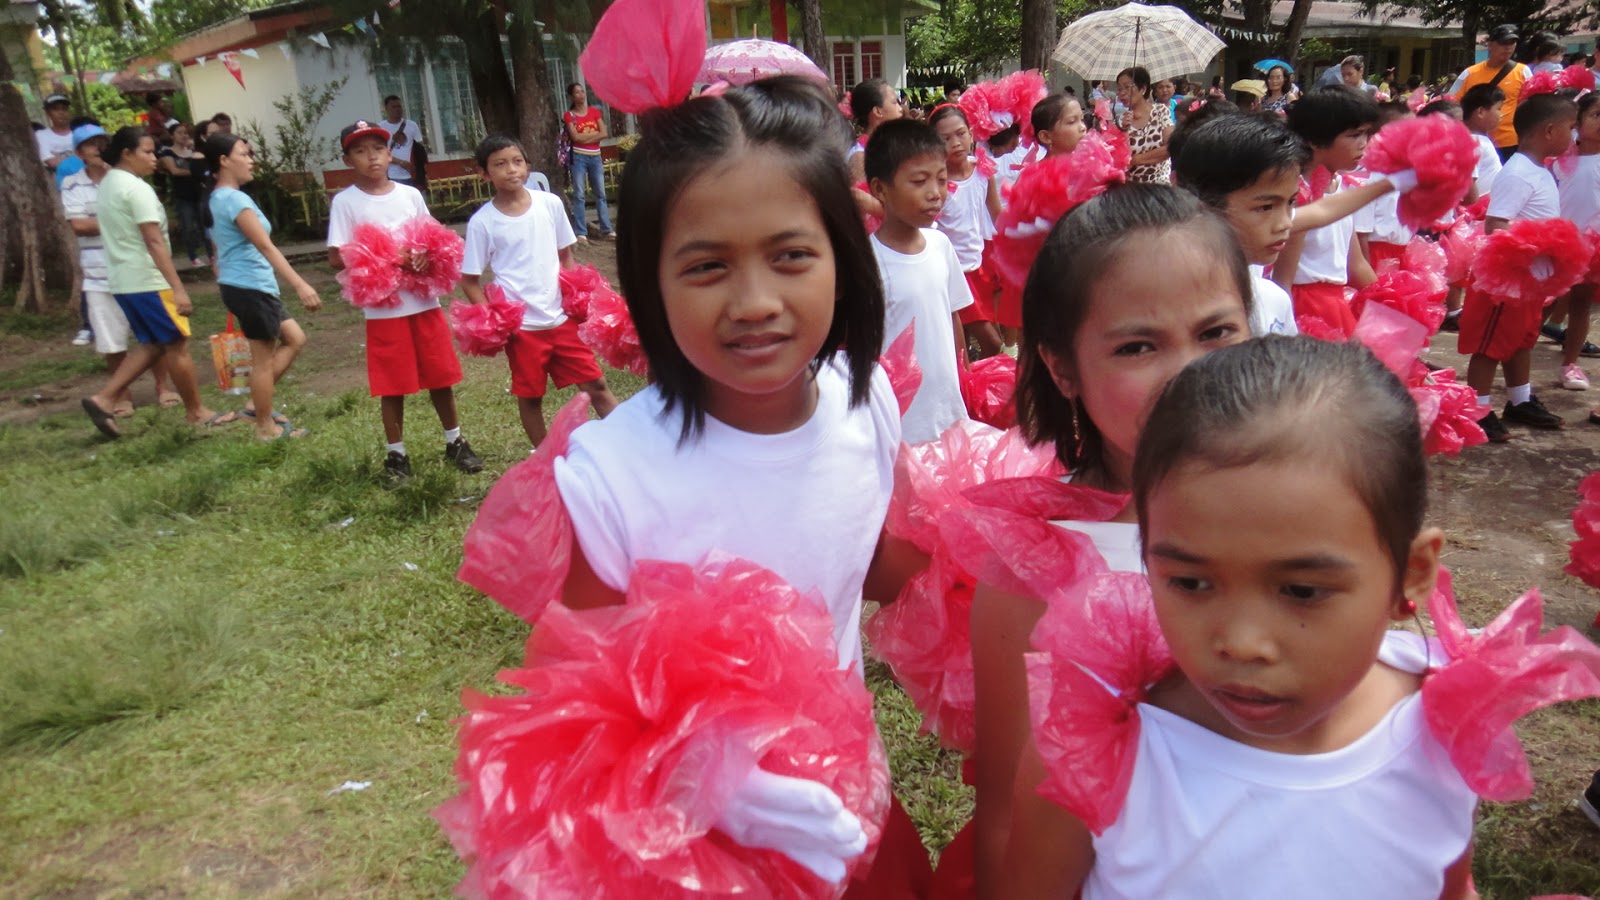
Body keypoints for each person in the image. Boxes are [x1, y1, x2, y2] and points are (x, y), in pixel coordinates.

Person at [998, 335, 1600, 898]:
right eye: (1190, 582)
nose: (1242, 643)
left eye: (1302, 591)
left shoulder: (1448, 716)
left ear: (1411, 573)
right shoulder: (1094, 750)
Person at [542, 74, 928, 894]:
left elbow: (875, 565)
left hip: (846, 813)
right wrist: (703, 770)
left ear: (843, 260)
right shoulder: (615, 474)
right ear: (649, 282)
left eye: (791, 256)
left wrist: (999, 527)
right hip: (692, 851)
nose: (754, 302)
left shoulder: (867, 406)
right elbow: (568, 697)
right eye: (707, 266)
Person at [968, 185, 1255, 892]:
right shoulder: (1035, 566)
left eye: (1216, 333)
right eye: (1137, 346)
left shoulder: (1308, 515)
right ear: (1063, 368)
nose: (1189, 374)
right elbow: (1007, 811)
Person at [327, 120, 482, 479]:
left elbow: (431, 235)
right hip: (384, 309)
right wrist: (389, 257)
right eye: (360, 151)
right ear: (347, 160)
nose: (371, 157)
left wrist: (426, 254)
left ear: (390, 153)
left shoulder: (409, 195)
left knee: (440, 375)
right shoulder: (346, 202)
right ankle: (396, 455)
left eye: (377, 148)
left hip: (423, 301)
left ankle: (455, 441)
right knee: (392, 383)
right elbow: (336, 256)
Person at [460, 134, 619, 447]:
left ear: (528, 166)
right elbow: (469, 281)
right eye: (500, 164)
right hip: (522, 330)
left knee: (596, 384)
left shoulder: (550, 204)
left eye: (517, 161)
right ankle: (544, 457)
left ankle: (626, 445)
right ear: (484, 173)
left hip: (561, 319)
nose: (511, 170)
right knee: (531, 396)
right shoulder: (483, 222)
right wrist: (495, 321)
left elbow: (565, 256)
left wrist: (576, 298)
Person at [80, 127, 226, 438]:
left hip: (123, 280)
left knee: (156, 344)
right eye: (146, 152)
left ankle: (104, 399)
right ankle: (196, 412)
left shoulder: (108, 184)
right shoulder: (136, 189)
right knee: (176, 343)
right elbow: (154, 240)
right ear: (126, 154)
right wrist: (177, 288)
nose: (154, 158)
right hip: (148, 279)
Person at [1459, 92, 1576, 441]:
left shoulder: (1538, 170)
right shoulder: (1519, 173)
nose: (1573, 136)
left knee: (1522, 340)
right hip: (1507, 280)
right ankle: (1477, 411)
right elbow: (1496, 224)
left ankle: (1520, 400)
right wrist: (1539, 245)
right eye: (1570, 127)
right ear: (1550, 130)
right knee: (1490, 345)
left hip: (1529, 278)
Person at [207, 132, 322, 440]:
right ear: (224, 161)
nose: (251, 160)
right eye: (243, 154)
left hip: (245, 285)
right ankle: (265, 428)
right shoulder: (234, 199)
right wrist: (300, 285)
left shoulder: (218, 198)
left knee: (294, 338)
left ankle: (254, 408)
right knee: (262, 360)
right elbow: (265, 246)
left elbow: (219, 245)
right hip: (250, 287)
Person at [865, 119, 972, 444]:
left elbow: (952, 317)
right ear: (880, 189)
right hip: (899, 428)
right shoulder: (866, 262)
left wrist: (965, 379)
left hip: (949, 414)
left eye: (941, 179)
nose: (935, 193)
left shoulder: (940, 245)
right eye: (919, 181)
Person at [1281, 85, 1382, 334]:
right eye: (1354, 134)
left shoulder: (1341, 185)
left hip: (1334, 305)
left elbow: (1355, 265)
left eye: (1367, 133)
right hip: (1304, 308)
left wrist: (1390, 306)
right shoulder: (1298, 194)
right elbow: (1282, 280)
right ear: (1316, 139)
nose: (1364, 143)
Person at [61, 124, 137, 417]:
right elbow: (79, 225)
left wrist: (100, 220)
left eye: (101, 141)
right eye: (90, 144)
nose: (97, 148)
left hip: (134, 266)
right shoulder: (71, 183)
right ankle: (122, 396)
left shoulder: (124, 177)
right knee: (110, 340)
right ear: (79, 152)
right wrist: (119, 220)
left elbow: (142, 217)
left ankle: (163, 388)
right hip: (97, 273)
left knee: (151, 334)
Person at [929, 105, 1004, 360]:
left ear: (971, 133)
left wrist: (1023, 233)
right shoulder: (936, 181)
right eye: (945, 138)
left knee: (967, 345)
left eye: (961, 134)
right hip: (953, 273)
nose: (955, 143)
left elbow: (996, 213)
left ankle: (971, 382)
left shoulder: (983, 170)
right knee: (991, 342)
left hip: (979, 266)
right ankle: (972, 382)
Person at [1553, 92, 1600, 394]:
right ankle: (1516, 354)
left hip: (1593, 246)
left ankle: (1570, 362)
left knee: (1581, 303)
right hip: (1557, 241)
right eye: (1597, 115)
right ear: (1577, 123)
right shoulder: (1559, 160)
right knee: (1543, 302)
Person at [1450, 25, 1529, 162]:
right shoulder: (1469, 73)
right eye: (1503, 43)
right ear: (1490, 45)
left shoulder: (1523, 71)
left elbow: (1529, 107)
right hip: (1475, 142)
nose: (1508, 47)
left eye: (1512, 43)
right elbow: (1451, 104)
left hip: (1510, 143)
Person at [563, 82, 614, 242]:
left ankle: (606, 229)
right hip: (579, 157)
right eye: (577, 92)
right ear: (571, 96)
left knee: (601, 194)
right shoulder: (569, 115)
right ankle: (581, 232)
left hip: (595, 157)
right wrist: (594, 135)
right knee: (579, 195)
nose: (581, 95)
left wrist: (584, 138)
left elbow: (604, 133)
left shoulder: (594, 112)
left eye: (582, 91)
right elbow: (575, 137)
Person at [158, 123, 209, 267]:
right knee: (188, 226)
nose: (184, 135)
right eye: (179, 133)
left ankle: (211, 254)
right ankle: (193, 256)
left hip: (198, 192)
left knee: (204, 224)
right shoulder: (168, 153)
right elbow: (174, 171)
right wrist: (195, 172)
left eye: (186, 133)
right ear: (172, 136)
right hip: (182, 195)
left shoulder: (193, 152)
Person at [1116, 66, 1174, 184]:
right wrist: (1123, 131)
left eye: (1127, 87)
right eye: (1119, 89)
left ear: (1143, 89)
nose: (1122, 93)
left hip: (1160, 184)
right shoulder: (1120, 122)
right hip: (1131, 187)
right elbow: (1119, 159)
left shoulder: (1160, 111)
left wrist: (1135, 160)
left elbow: (1171, 147)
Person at [378, 95, 425, 188]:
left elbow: (420, 150)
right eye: (393, 107)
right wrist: (400, 162)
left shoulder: (412, 125)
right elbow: (380, 152)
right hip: (390, 175)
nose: (397, 109)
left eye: (399, 106)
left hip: (411, 175)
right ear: (386, 109)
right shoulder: (380, 128)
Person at [35, 94, 74, 176]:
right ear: (48, 113)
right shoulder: (42, 135)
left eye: (64, 109)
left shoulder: (78, 133)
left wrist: (58, 158)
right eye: (55, 109)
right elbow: (51, 162)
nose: (61, 113)